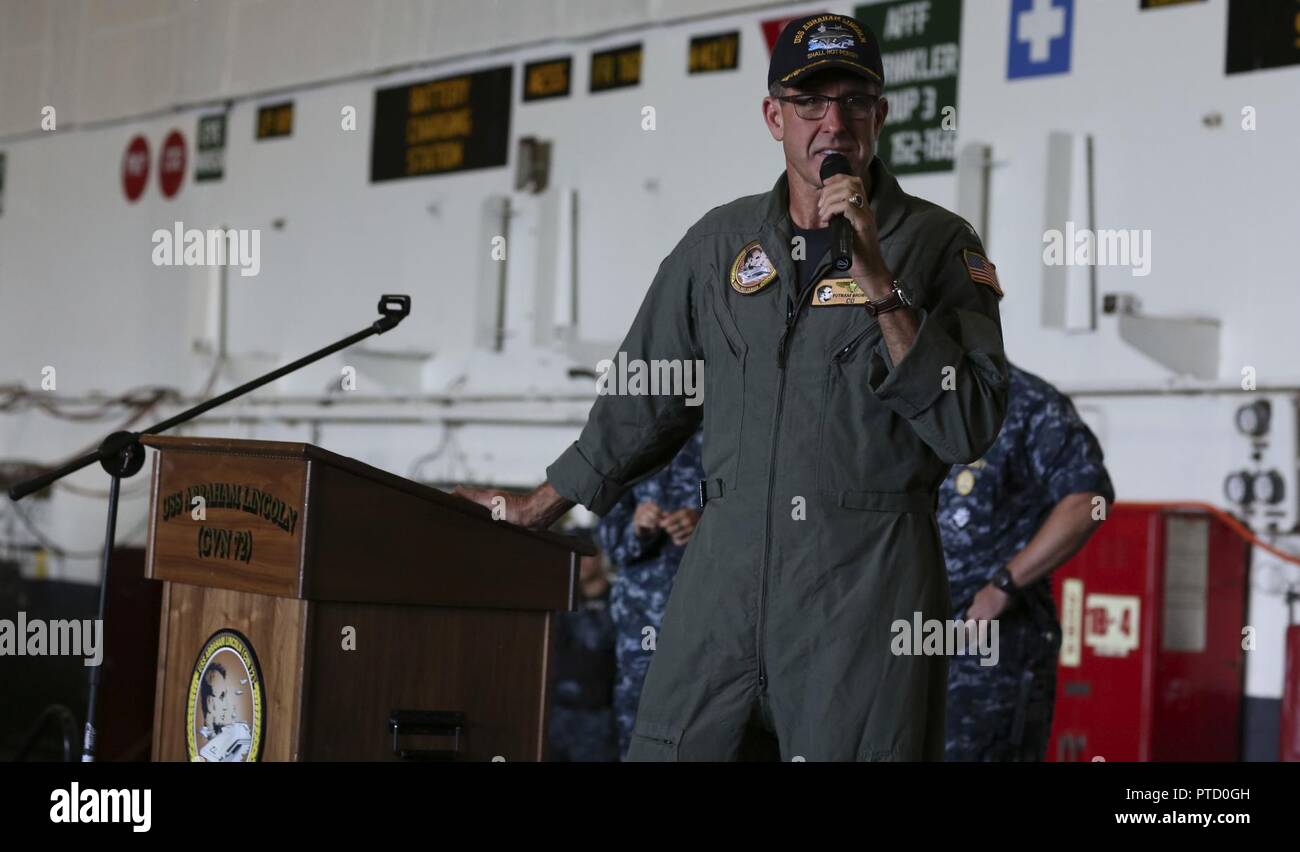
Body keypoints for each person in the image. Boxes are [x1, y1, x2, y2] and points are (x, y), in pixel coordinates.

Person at [457, 12, 1008, 760]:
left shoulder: (940, 243)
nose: (832, 124)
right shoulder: (720, 244)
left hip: (866, 585)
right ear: (773, 116)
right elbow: (645, 393)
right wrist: (540, 504)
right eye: (810, 103)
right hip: (724, 578)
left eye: (853, 102)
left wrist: (882, 286)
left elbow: (967, 424)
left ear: (879, 117)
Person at [940, 363, 1114, 761]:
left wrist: (1003, 586)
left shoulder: (1026, 403)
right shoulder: (912, 397)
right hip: (909, 645)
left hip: (990, 656)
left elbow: (1090, 502)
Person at [597, 428, 704, 759]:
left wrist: (704, 524)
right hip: (639, 623)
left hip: (704, 616)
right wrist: (636, 527)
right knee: (635, 725)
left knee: (703, 724)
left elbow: (749, 519)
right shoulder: (630, 445)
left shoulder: (720, 438)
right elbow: (608, 542)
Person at [547, 537, 619, 762]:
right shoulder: (557, 598)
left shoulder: (620, 598)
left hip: (600, 715)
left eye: (587, 555)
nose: (582, 562)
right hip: (557, 714)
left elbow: (597, 642)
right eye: (575, 555)